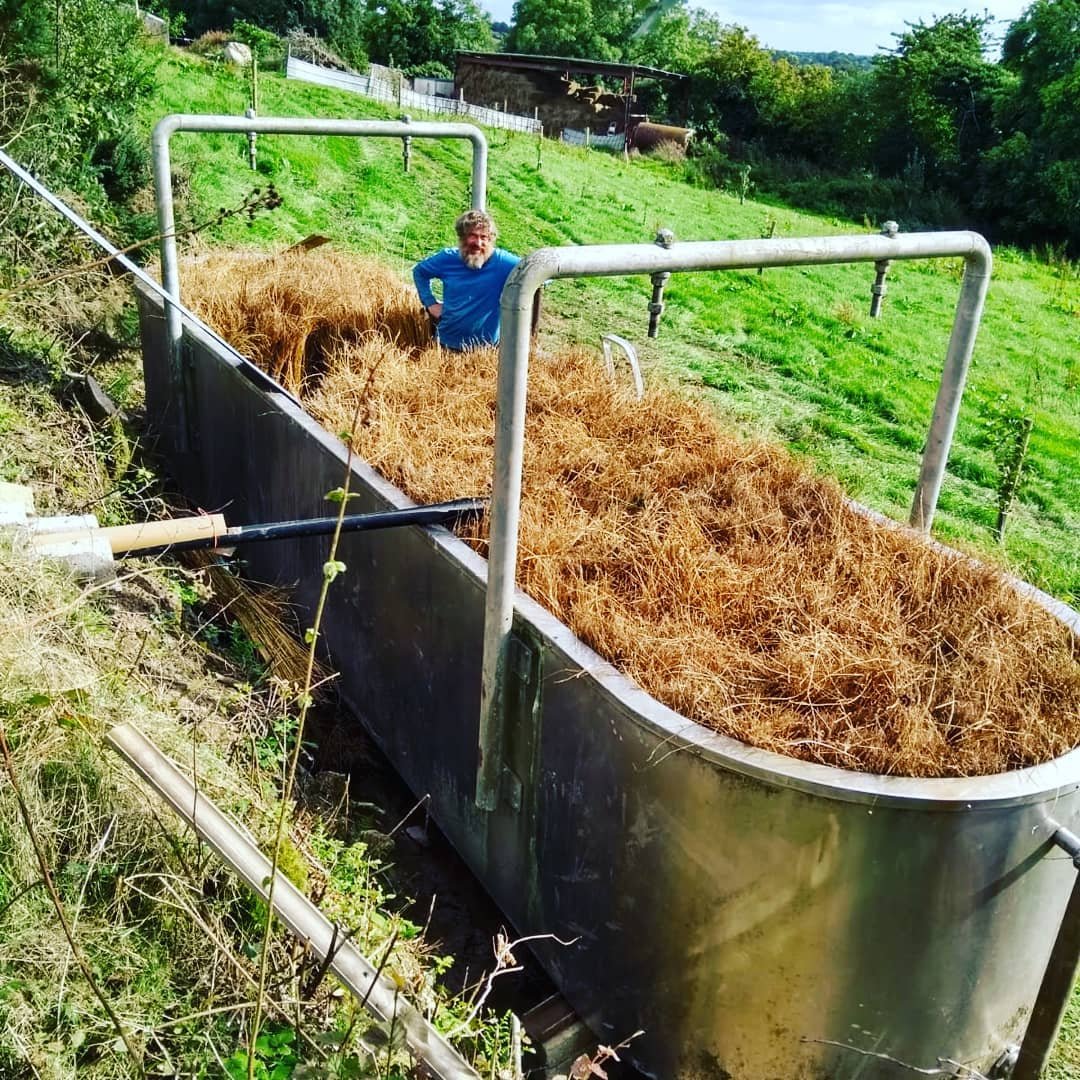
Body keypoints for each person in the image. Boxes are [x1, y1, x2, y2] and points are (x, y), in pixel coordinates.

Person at [413, 210, 519, 350]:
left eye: (484, 237)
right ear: (462, 237)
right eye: (472, 236)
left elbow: (535, 273)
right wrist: (430, 304)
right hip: (446, 344)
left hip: (486, 351)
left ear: (490, 240)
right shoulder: (447, 258)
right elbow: (419, 272)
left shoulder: (502, 262)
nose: (478, 242)